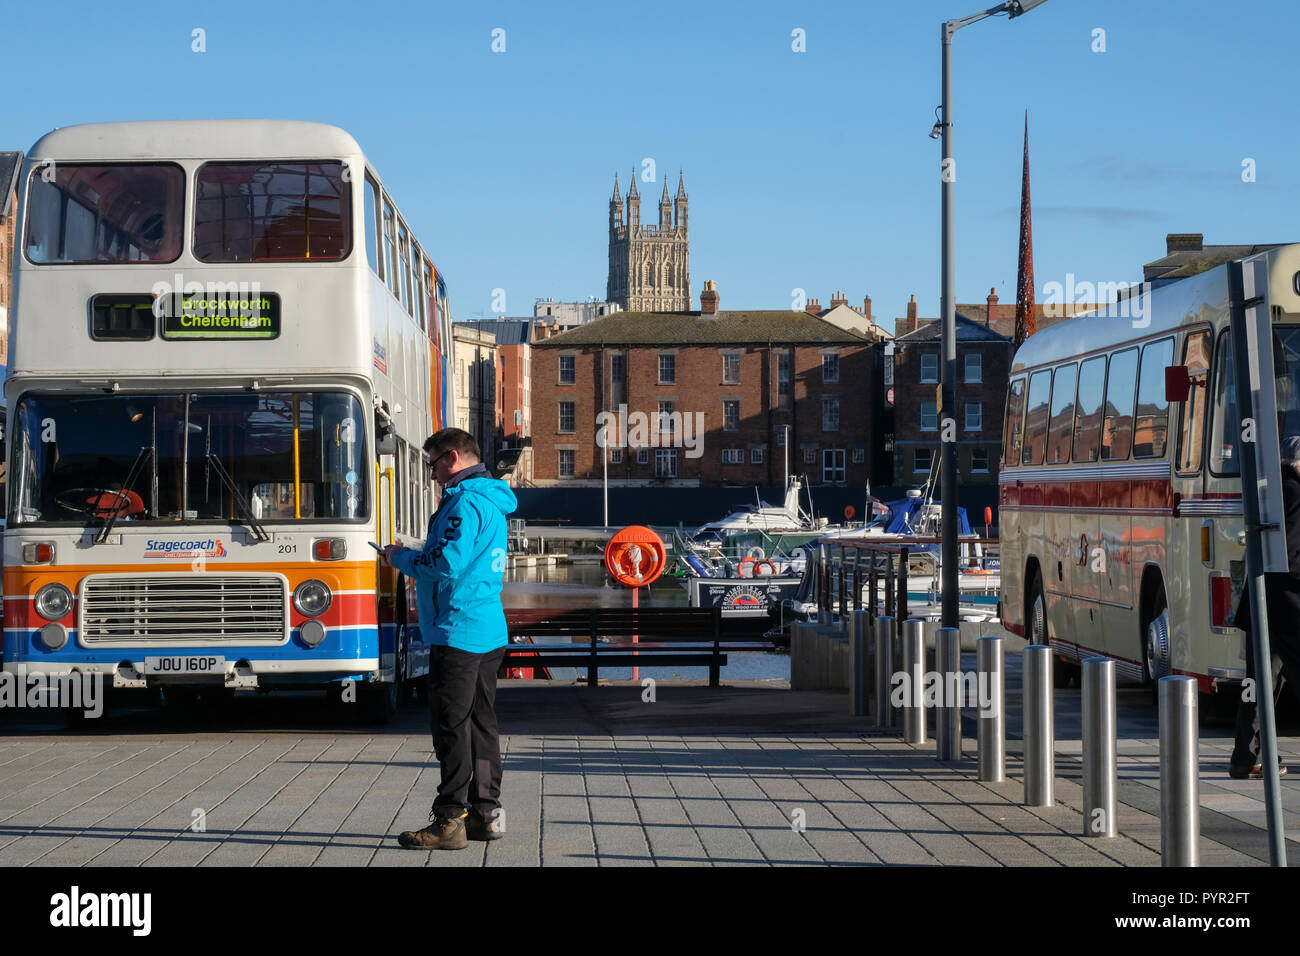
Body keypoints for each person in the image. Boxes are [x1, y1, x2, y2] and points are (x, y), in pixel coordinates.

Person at [380, 428, 517, 848]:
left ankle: (448, 820)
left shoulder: (464, 501)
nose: (433, 473)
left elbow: (446, 563)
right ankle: (486, 814)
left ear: (453, 457)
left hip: (458, 630)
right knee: (481, 725)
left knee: (451, 726)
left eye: (434, 463)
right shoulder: (490, 499)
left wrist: (399, 557)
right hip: (487, 627)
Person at [1230, 435, 1300, 778]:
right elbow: (1289, 552)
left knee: (1257, 686)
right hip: (1289, 606)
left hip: (1261, 603)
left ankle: (1246, 757)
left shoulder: (1270, 493)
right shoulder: (1296, 493)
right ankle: (1248, 757)